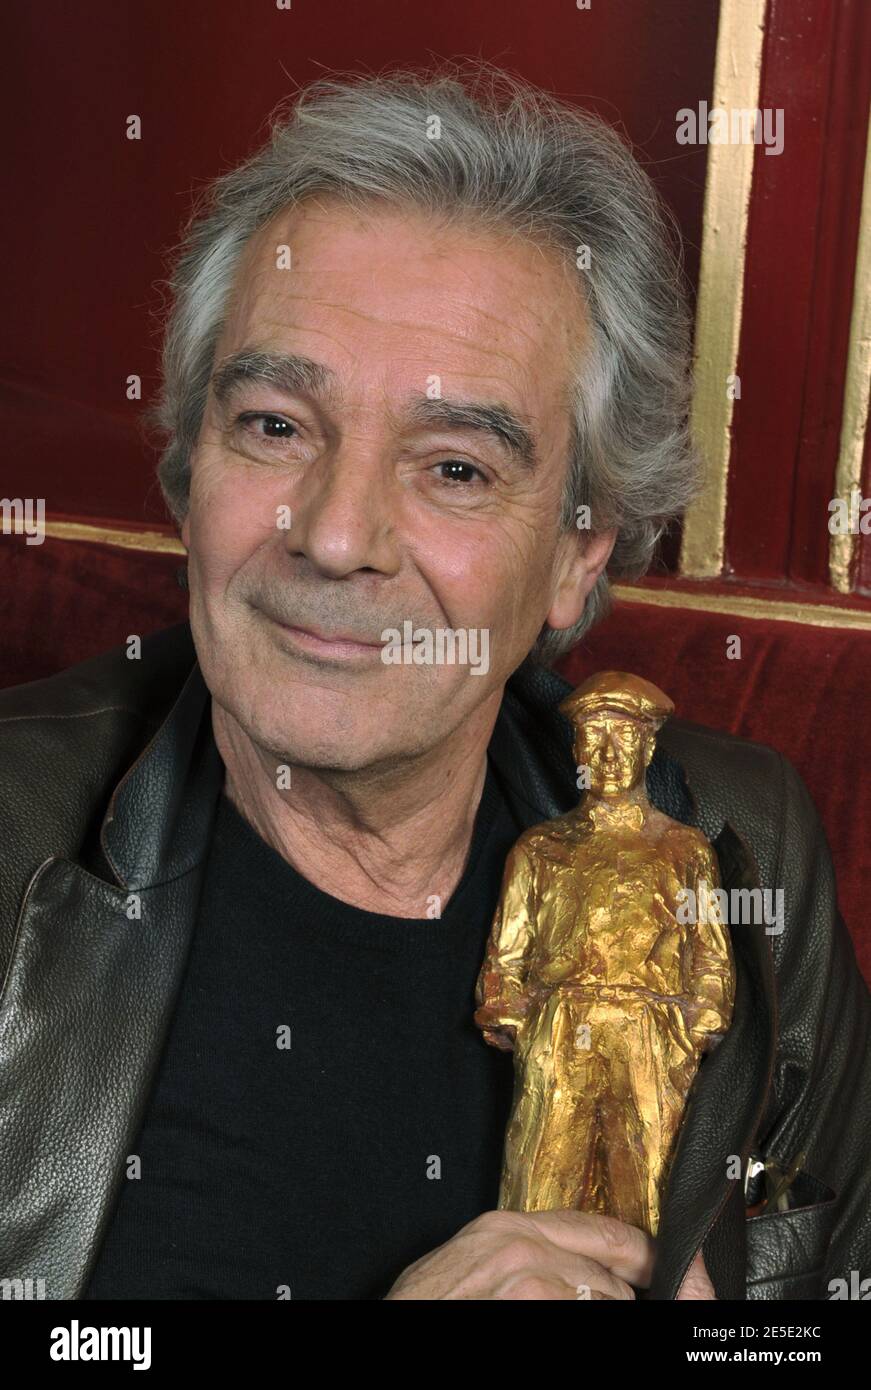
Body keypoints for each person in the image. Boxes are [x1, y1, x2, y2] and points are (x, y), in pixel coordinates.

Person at [1, 63, 868, 1302]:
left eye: (455, 467)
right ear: (190, 467)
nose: (338, 535)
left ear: (577, 554)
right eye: (274, 426)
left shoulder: (737, 851)